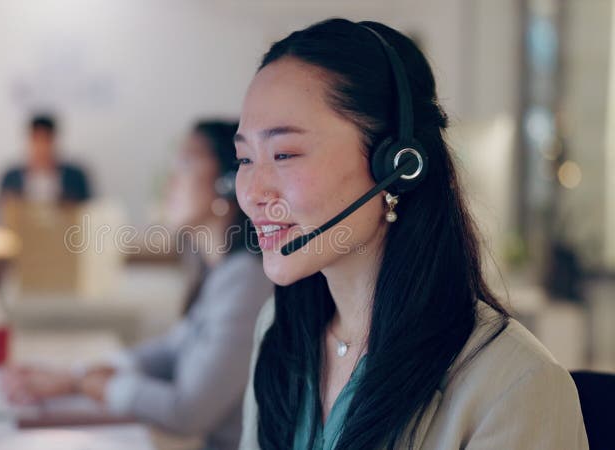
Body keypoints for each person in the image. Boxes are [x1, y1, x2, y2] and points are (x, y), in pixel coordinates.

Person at [234, 19, 588, 450]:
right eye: (245, 159)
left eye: (284, 153)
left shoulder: (516, 386)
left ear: (397, 166)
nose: (252, 193)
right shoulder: (277, 331)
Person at [2, 120, 273, 450]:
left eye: (186, 163)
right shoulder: (221, 272)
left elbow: (186, 412)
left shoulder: (246, 280)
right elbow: (174, 350)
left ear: (228, 183)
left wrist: (91, 384)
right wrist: (73, 377)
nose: (169, 181)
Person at [0, 114, 92, 215]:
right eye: (37, 140)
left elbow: (89, 213)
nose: (41, 148)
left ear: (54, 141)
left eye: (46, 140)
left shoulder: (75, 178)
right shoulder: (10, 178)